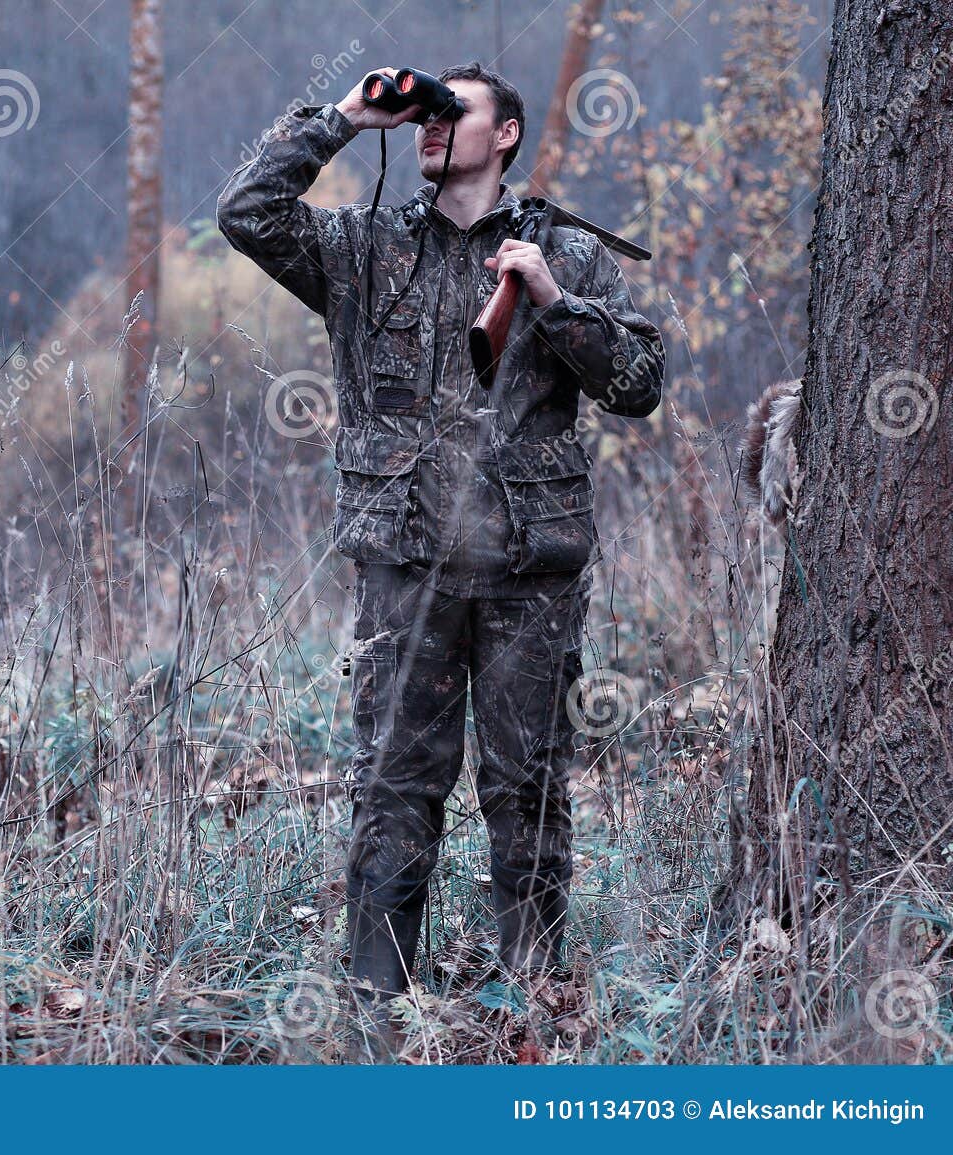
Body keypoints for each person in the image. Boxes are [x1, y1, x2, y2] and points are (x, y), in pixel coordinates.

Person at [217, 62, 665, 1042]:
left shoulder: (568, 254)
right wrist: (345, 117)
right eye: (424, 113)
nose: (430, 125)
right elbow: (246, 213)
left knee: (527, 791)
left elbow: (638, 383)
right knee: (393, 789)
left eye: (453, 113)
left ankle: (531, 1012)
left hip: (527, 571)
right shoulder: (362, 247)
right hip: (405, 567)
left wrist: (551, 298)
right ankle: (374, 1018)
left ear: (505, 136)